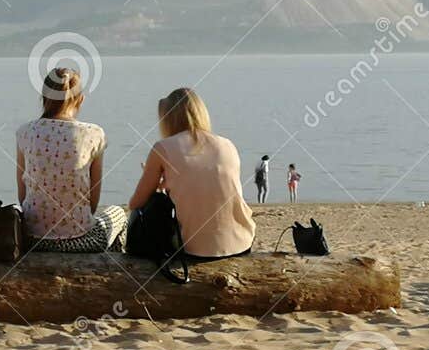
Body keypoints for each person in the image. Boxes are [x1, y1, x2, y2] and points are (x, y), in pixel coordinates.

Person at [127, 87, 255, 261]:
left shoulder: (163, 148)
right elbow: (212, 185)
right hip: (242, 243)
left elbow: (135, 203)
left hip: (194, 250)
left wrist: (155, 187)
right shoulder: (227, 144)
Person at [15, 67, 127, 252]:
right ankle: (110, 268)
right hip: (80, 240)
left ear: (44, 98)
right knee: (119, 213)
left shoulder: (25, 132)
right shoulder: (94, 134)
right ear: (80, 99)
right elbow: (93, 201)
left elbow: (22, 195)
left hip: (32, 240)